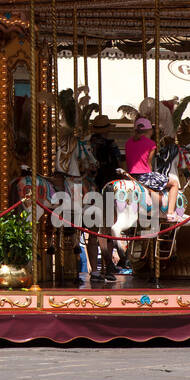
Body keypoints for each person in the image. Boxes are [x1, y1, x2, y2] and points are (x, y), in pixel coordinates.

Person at [83, 115, 121, 283]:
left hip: (91, 188)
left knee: (92, 232)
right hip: (107, 188)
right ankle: (108, 268)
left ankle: (95, 271)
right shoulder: (111, 146)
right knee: (107, 231)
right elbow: (117, 166)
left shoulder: (88, 145)